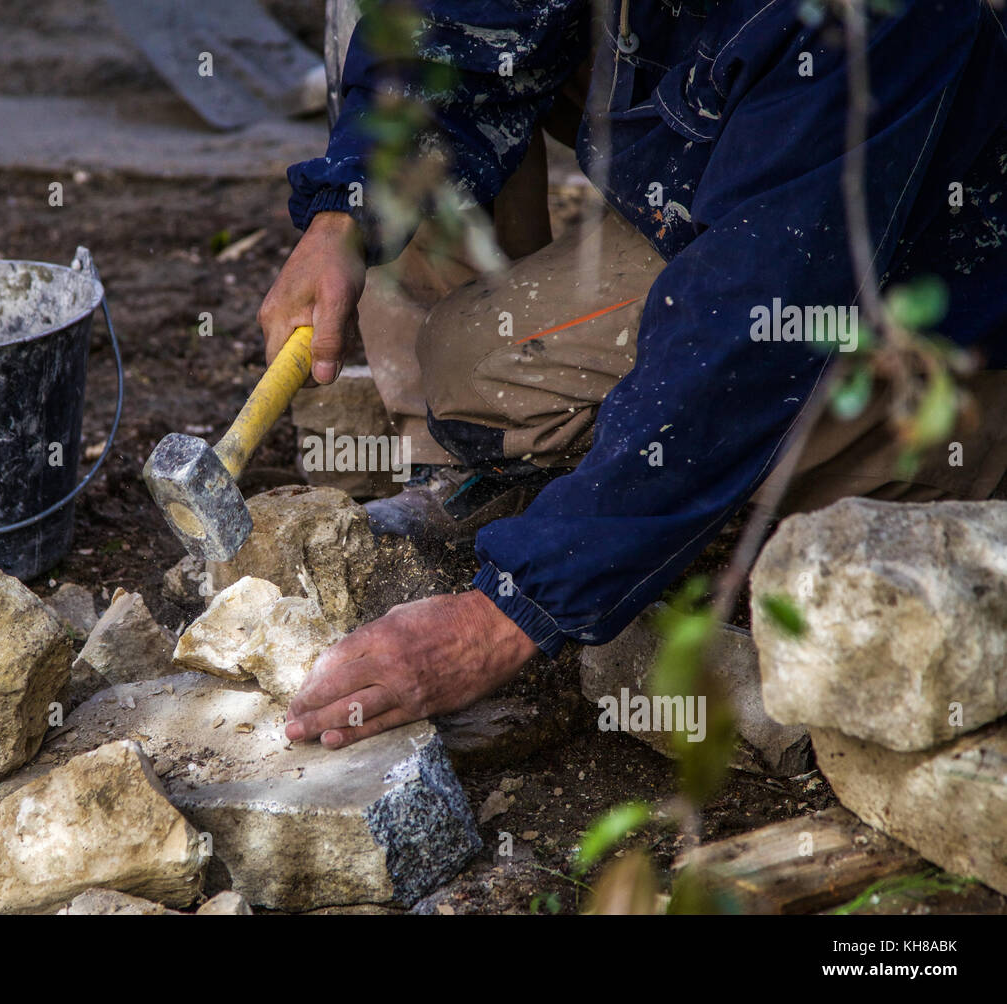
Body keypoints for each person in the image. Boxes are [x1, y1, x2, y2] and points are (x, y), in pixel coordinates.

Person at [257, 0, 1007, 749]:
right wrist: (344, 215)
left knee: (486, 368)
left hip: (926, 294)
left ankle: (619, 518)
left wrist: (502, 620)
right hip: (737, 167)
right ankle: (502, 493)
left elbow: (747, 336)